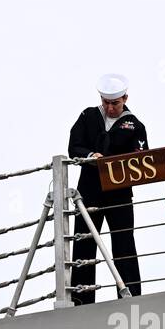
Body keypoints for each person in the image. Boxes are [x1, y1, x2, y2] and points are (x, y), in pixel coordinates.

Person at [67, 73, 149, 304]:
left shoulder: (135, 125)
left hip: (119, 191)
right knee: (84, 241)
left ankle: (131, 293)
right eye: (106, 102)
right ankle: (81, 297)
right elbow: (74, 145)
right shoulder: (88, 116)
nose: (110, 107)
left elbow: (140, 158)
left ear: (125, 98)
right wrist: (91, 155)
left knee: (123, 242)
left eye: (115, 103)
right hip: (90, 189)